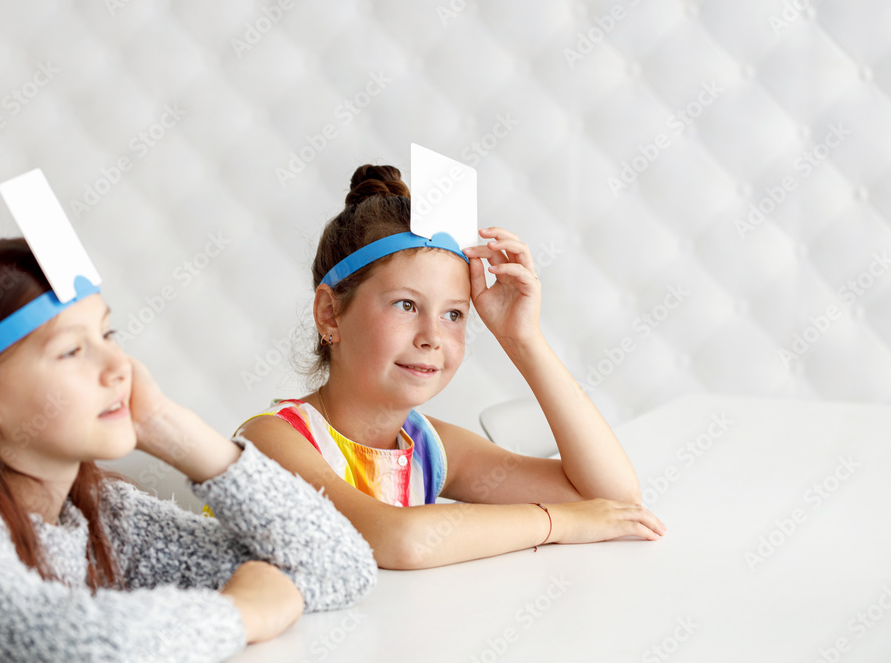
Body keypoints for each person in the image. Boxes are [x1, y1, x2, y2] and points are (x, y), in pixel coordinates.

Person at [0, 238, 377, 662]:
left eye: (106, 335)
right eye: (71, 351)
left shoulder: (98, 514)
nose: (119, 367)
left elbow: (339, 565)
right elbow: (73, 646)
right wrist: (243, 612)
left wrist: (169, 427)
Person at [237, 163, 667, 570]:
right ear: (330, 314)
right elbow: (400, 539)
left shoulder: (427, 445)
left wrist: (523, 340)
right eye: (406, 305)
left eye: (454, 314)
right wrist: (562, 524)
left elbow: (613, 498)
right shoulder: (273, 441)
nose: (432, 337)